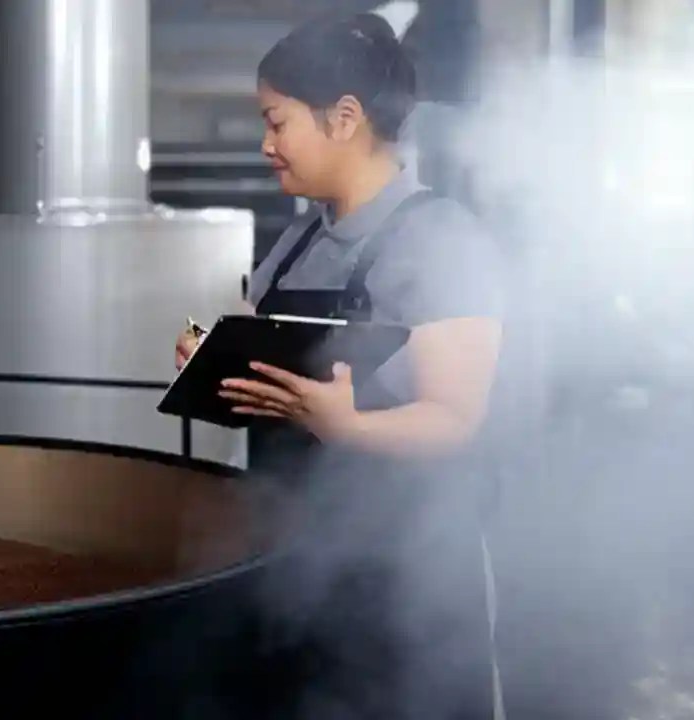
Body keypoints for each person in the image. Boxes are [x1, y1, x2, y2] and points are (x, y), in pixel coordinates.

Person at [173, 12, 506, 720]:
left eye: (277, 121)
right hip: (294, 562)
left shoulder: (441, 240)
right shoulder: (295, 242)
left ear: (344, 117)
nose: (266, 145)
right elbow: (280, 381)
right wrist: (215, 361)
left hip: (405, 575)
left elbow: (456, 420)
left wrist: (344, 425)